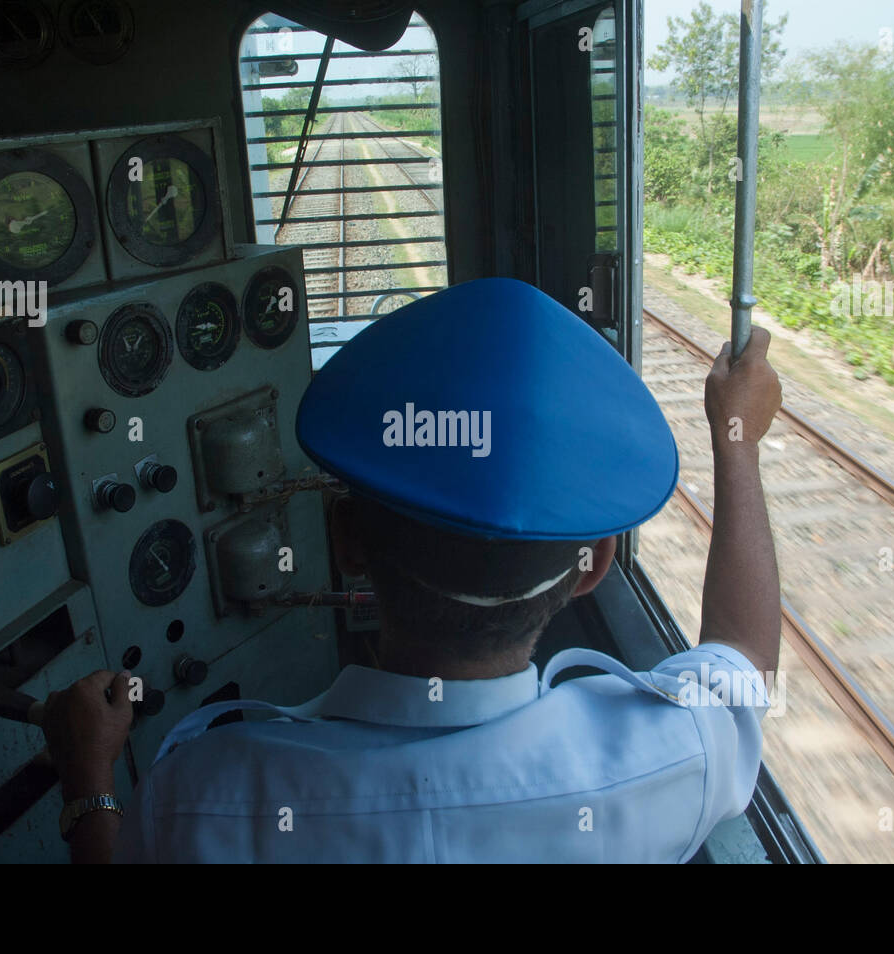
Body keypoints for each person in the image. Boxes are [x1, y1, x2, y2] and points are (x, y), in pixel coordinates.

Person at [41, 278, 783, 863]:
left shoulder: (203, 794)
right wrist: (737, 438)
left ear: (347, 543)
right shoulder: (669, 761)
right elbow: (745, 659)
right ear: (591, 570)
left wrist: (88, 778)